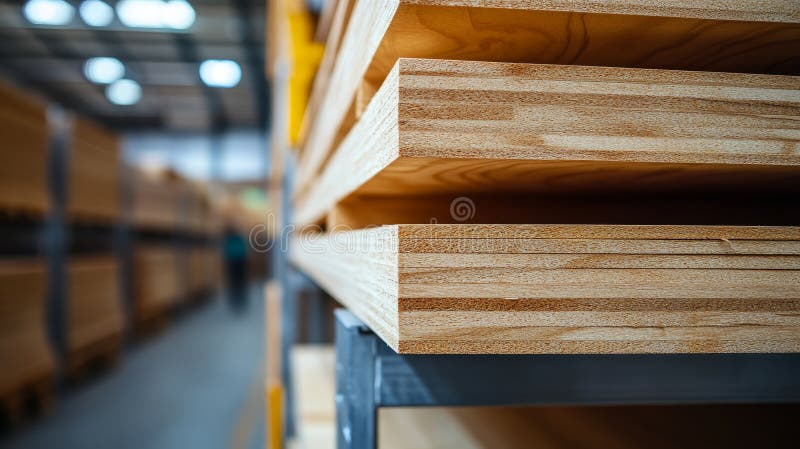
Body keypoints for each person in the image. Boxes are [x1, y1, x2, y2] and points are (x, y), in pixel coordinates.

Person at [222, 225, 248, 312]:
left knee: (234, 281)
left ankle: (236, 299)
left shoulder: (229, 240)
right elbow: (245, 250)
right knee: (239, 281)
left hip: (234, 262)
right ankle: (239, 298)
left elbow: (226, 251)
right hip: (239, 262)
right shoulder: (238, 239)